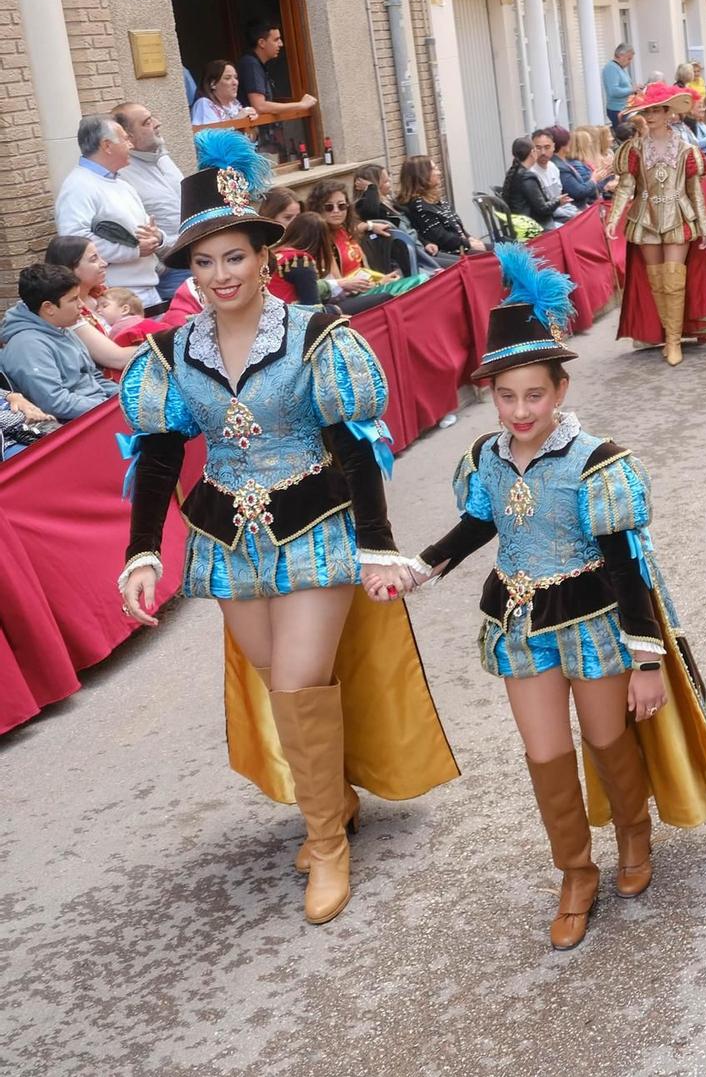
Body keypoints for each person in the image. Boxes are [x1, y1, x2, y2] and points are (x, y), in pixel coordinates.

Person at [115, 129, 458, 923]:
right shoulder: (170, 352)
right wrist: (140, 551)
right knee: (278, 684)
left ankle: (327, 844)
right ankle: (331, 796)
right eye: (202, 262)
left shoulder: (314, 333)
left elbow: (354, 445)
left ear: (264, 255)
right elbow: (161, 456)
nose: (219, 275)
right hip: (227, 543)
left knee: (301, 678)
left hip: (317, 524)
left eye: (233, 256)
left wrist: (375, 542)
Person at [415, 246, 706, 948]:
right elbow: (484, 520)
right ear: (490, 392)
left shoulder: (595, 462)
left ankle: (634, 834)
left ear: (560, 391)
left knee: (606, 740)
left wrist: (648, 659)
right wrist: (424, 565)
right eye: (505, 396)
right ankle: (575, 871)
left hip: (593, 619)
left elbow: (624, 563)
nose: (519, 410)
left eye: (533, 394)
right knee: (544, 753)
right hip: (518, 620)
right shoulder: (485, 455)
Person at [607, 82, 706, 365]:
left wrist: (704, 226)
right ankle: (669, 333)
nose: (653, 114)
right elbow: (625, 187)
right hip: (645, 217)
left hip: (679, 215)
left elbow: (694, 190)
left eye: (658, 109)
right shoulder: (634, 149)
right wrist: (613, 218)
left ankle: (674, 341)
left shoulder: (686, 149)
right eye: (649, 110)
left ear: (670, 112)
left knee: (674, 278)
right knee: (657, 281)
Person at [54, 115, 162, 306]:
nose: (131, 145)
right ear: (106, 145)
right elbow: (76, 243)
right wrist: (134, 251)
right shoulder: (78, 187)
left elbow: (143, 226)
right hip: (116, 296)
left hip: (148, 286)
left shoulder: (121, 183)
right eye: (124, 139)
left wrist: (156, 236)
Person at [0, 262, 118, 421]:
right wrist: (109, 407)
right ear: (48, 308)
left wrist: (125, 397)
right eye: (74, 299)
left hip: (99, 409)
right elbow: (55, 403)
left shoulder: (60, 326)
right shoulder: (27, 346)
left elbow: (94, 377)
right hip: (77, 424)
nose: (81, 305)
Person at [113, 102, 189, 298]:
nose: (157, 123)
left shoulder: (161, 156)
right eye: (147, 122)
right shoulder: (121, 176)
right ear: (128, 137)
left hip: (196, 257)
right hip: (171, 271)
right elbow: (137, 232)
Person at [41, 235, 139, 372]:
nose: (104, 263)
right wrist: (163, 344)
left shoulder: (102, 294)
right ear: (70, 268)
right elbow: (117, 359)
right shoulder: (69, 312)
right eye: (94, 259)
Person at [400, 157, 488, 257]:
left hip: (461, 246)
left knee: (501, 250)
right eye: (434, 169)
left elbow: (456, 225)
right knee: (497, 256)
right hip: (452, 253)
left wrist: (469, 237)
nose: (439, 173)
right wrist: (468, 244)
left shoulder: (434, 199)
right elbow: (441, 238)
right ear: (422, 175)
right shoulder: (419, 205)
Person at [236, 21, 318, 122]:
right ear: (261, 43)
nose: (281, 44)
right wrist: (301, 105)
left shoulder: (256, 63)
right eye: (276, 40)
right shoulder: (251, 64)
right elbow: (260, 106)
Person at [503, 136, 563, 230]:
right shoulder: (527, 177)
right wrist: (559, 201)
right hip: (534, 227)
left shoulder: (514, 173)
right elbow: (542, 209)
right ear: (532, 153)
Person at [190, 62, 250, 127]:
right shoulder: (204, 104)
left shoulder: (234, 103)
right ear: (213, 84)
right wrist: (238, 119)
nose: (235, 82)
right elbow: (211, 135)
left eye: (236, 77)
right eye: (227, 78)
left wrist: (252, 122)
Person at [602, 42, 636, 125]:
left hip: (625, 108)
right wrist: (632, 90)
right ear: (621, 55)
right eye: (629, 59)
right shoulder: (611, 68)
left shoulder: (620, 68)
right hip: (617, 110)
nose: (630, 62)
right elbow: (614, 91)